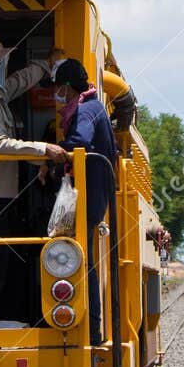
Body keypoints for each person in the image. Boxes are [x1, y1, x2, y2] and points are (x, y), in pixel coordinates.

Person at [0, 34, 67, 328]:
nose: (5, 69)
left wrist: (45, 65)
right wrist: (44, 150)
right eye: (1, 64)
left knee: (0, 260)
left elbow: (18, 82)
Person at [51, 58, 117, 343]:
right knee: (82, 259)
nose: (57, 94)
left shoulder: (86, 110)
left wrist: (52, 152)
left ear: (66, 87)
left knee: (83, 260)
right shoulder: (93, 105)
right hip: (94, 193)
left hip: (90, 196)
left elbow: (80, 141)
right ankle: (90, 327)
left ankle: (91, 329)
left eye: (58, 88)